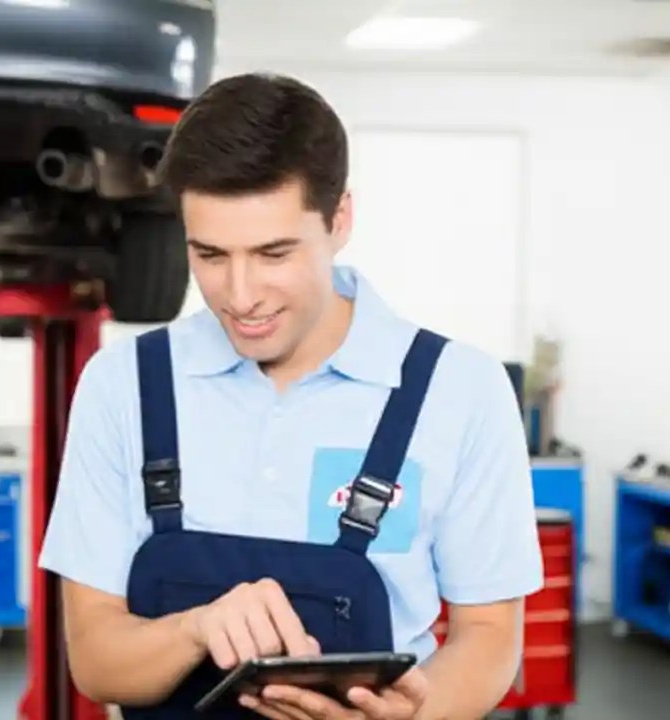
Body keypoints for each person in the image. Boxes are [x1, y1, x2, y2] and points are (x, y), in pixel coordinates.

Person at [39, 72, 544, 720]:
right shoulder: (123, 386)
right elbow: (96, 660)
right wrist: (197, 629)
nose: (241, 294)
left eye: (273, 253)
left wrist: (418, 715)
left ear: (340, 219)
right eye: (210, 254)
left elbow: (490, 635)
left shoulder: (461, 391)